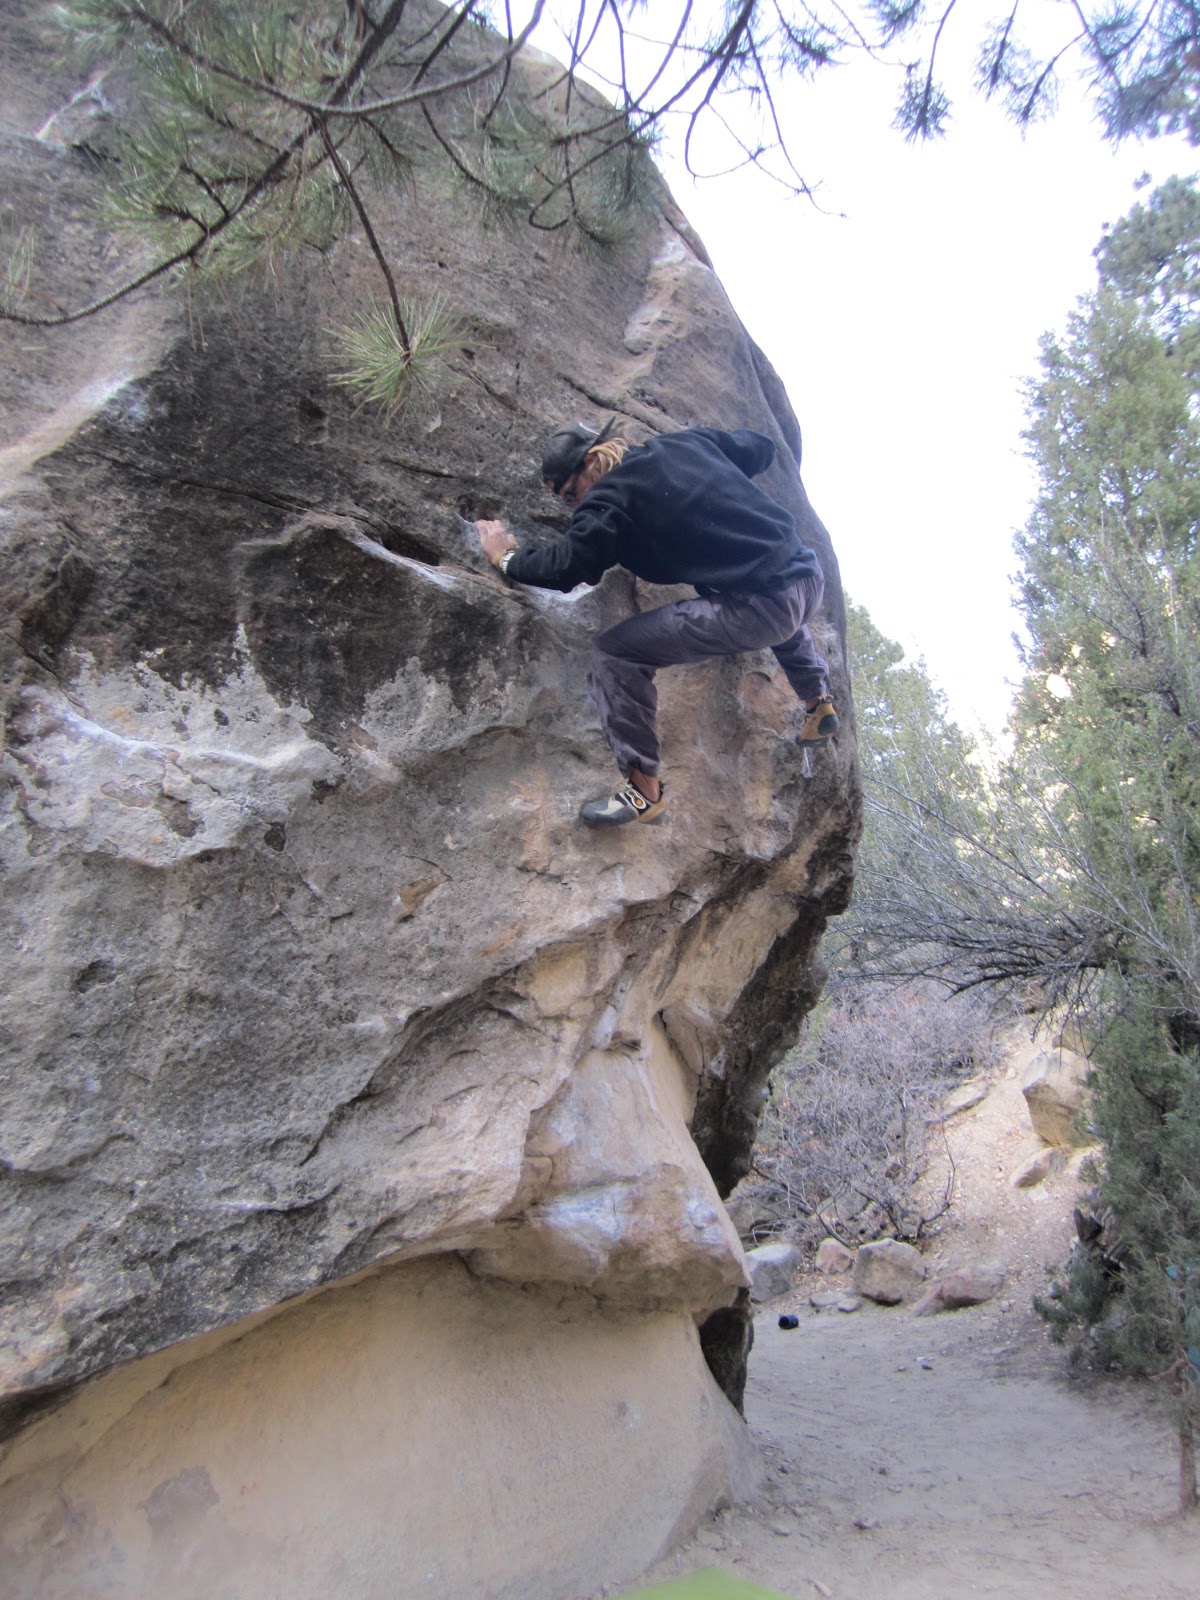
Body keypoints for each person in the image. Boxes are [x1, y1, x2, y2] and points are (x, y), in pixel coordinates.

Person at [476, 419, 837, 827]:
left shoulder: (608, 499)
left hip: (765, 607)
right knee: (750, 586)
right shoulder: (686, 444)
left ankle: (644, 793)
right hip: (807, 577)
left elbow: (565, 567)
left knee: (616, 652)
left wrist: (505, 557)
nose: (573, 506)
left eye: (570, 493)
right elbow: (760, 448)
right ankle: (817, 702)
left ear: (593, 462)